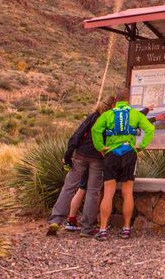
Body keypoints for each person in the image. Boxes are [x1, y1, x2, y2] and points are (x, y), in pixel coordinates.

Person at [91, 88, 155, 241]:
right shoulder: (135, 114)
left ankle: (103, 230)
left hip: (112, 153)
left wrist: (100, 147)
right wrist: (141, 146)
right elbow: (150, 128)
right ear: (128, 99)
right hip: (129, 153)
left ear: (116, 100)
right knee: (127, 193)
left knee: (108, 193)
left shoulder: (108, 114)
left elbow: (95, 129)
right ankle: (126, 229)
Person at [46, 98, 111, 237]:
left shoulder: (92, 117)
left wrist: (68, 156)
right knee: (93, 192)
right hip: (98, 158)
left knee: (69, 187)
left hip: (80, 155)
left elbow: (77, 135)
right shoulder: (110, 120)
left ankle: (56, 220)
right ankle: (87, 228)